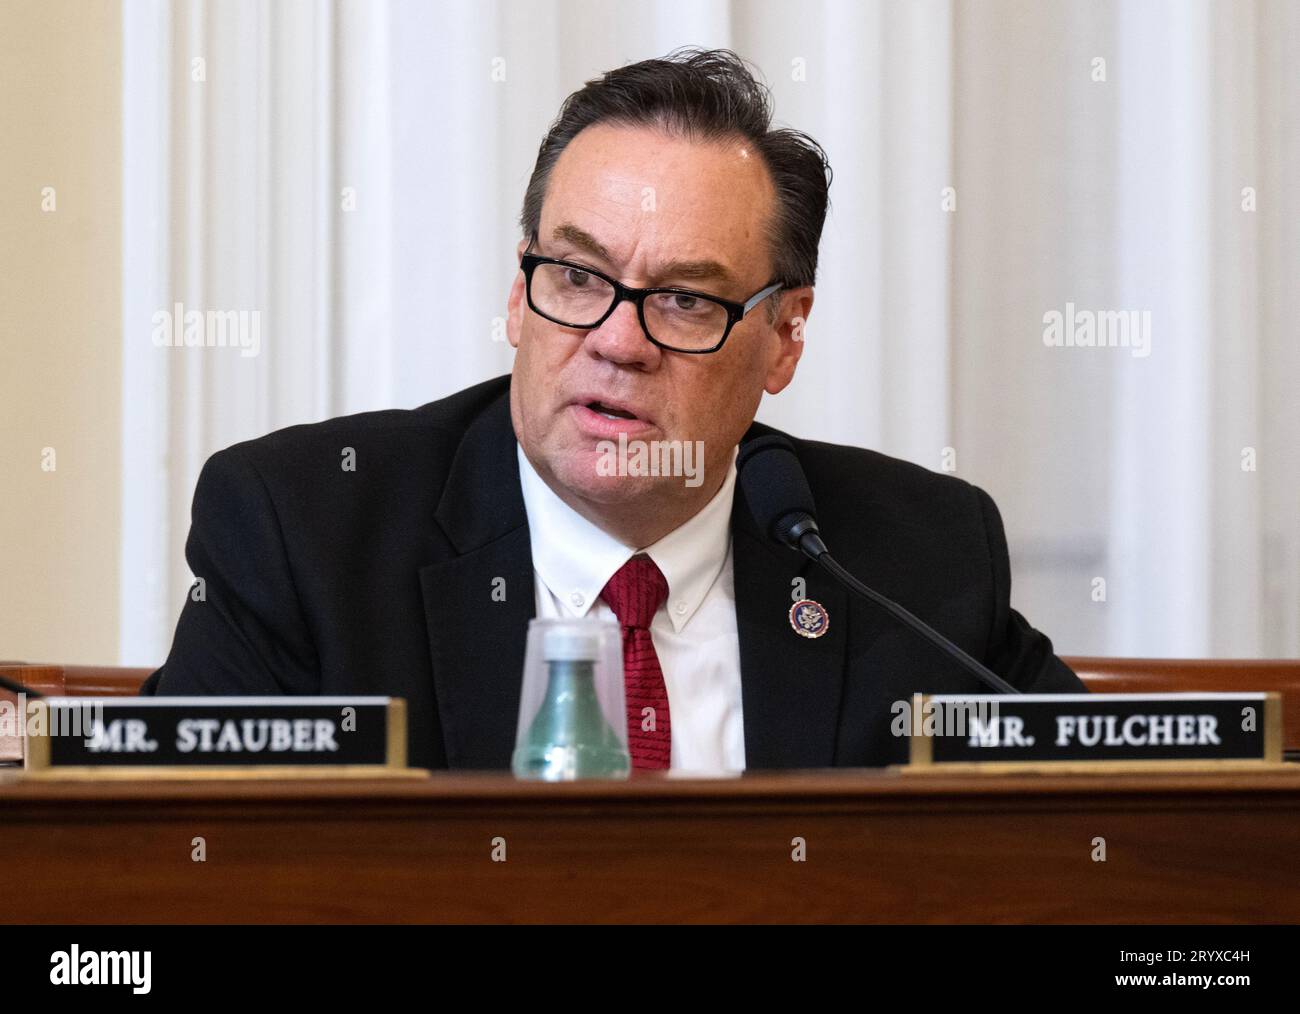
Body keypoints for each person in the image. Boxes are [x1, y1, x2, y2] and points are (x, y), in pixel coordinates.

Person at [144, 48, 1085, 771]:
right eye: (578, 275)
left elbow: (1111, 837)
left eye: (685, 299)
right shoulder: (302, 531)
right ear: (519, 294)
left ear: (785, 337)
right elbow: (177, 868)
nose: (617, 341)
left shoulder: (915, 559)